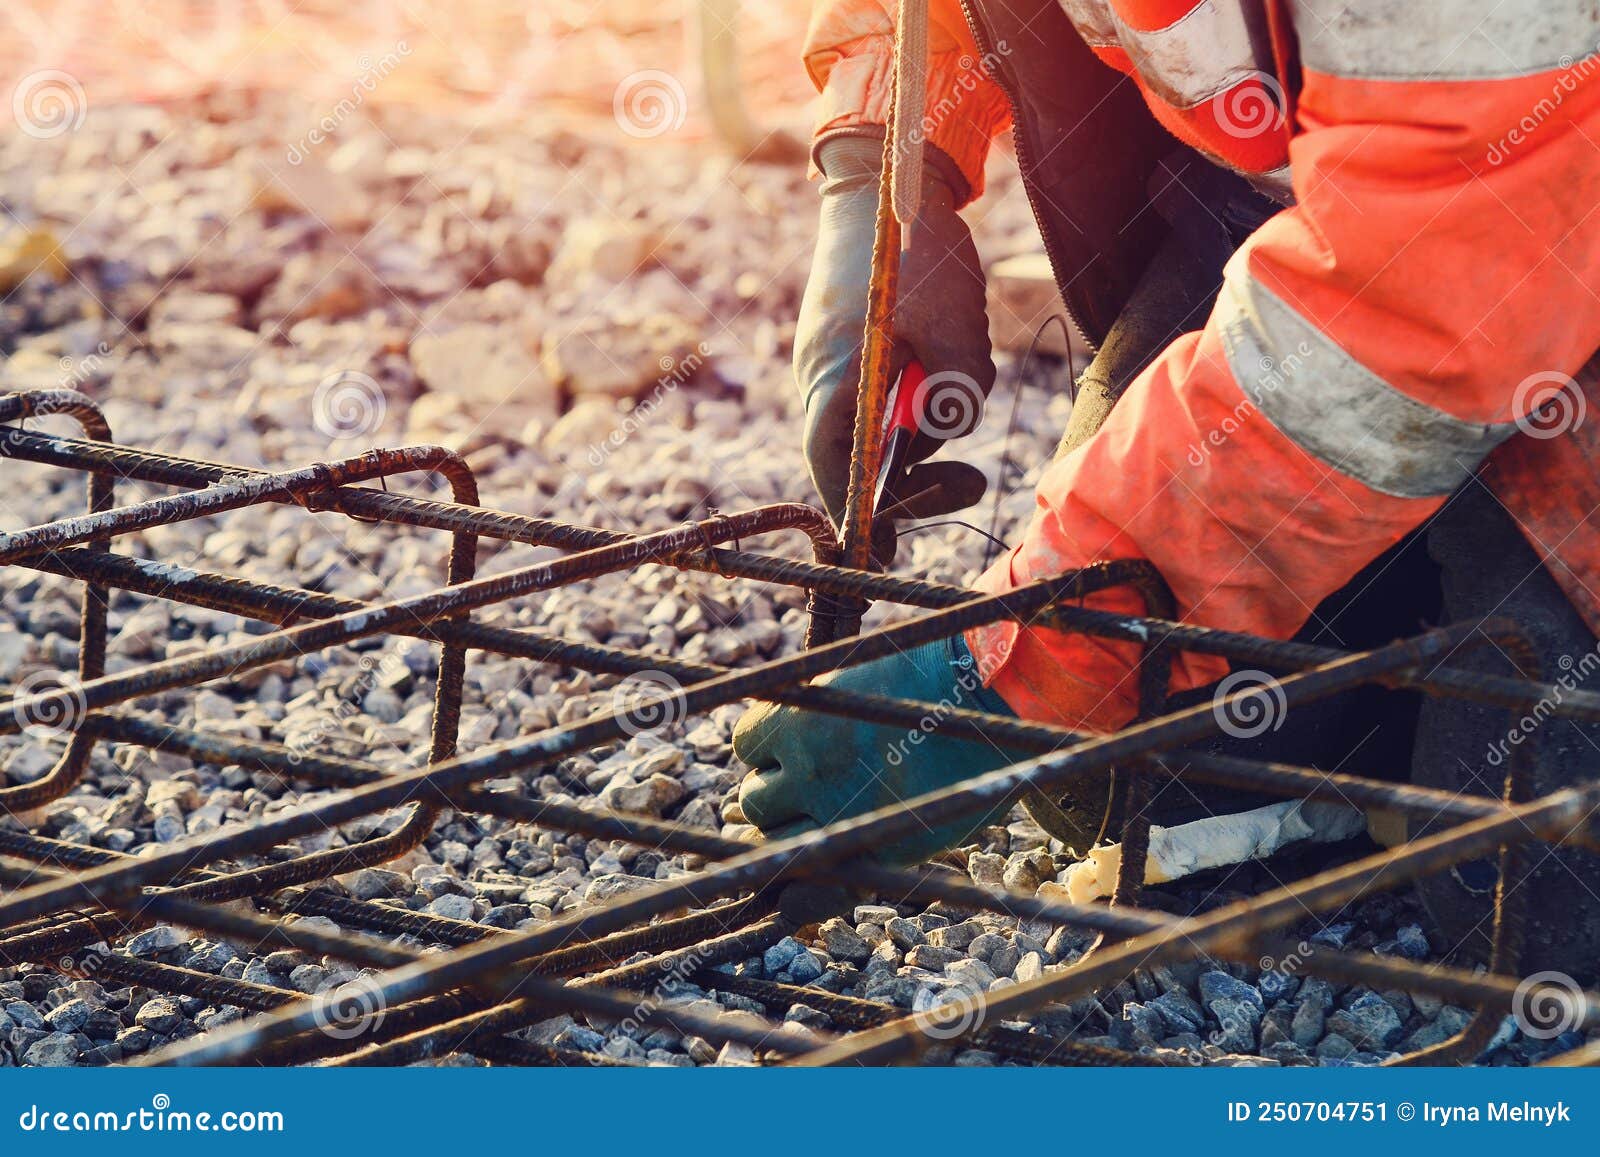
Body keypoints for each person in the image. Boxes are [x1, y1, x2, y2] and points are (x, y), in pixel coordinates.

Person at [733, 0, 1600, 976]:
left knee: (1537, 913)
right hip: (1320, 192)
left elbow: (1415, 312)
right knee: (1128, 777)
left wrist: (1011, 669)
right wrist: (886, 160)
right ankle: (1392, 667)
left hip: (1509, 234)